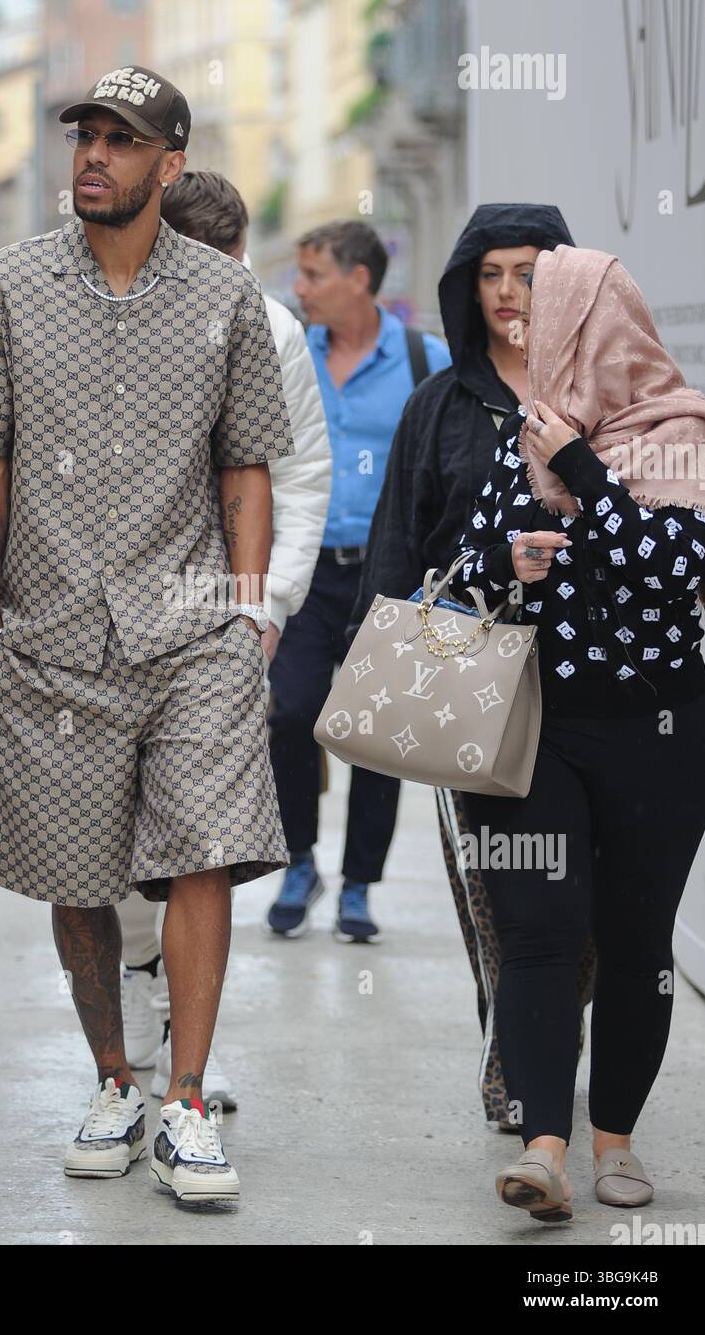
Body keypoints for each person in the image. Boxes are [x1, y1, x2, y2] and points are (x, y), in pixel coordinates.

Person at [0, 65, 296, 1207]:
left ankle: (186, 1099)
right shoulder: (4, 286)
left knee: (202, 850)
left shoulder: (226, 300)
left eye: (122, 139)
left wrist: (245, 612)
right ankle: (113, 1077)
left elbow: (247, 462)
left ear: (168, 164)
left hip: (194, 627)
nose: (94, 155)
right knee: (73, 872)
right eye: (85, 135)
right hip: (49, 632)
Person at [444, 245, 705, 1222]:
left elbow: (670, 559)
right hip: (534, 732)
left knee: (638, 941)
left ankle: (616, 1142)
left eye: (553, 315)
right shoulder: (528, 431)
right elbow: (468, 561)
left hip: (657, 732)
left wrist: (581, 468)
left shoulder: (679, 433)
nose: (531, 328)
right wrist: (509, 563)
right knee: (539, 936)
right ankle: (544, 1147)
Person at [348, 204, 595, 1130]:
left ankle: (539, 1034)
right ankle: (516, 1061)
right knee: (498, 886)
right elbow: (399, 543)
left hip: (590, 673)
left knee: (594, 898)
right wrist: (375, 654)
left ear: (563, 281)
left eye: (527, 272)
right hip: (469, 672)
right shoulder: (438, 406)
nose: (506, 292)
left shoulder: (600, 394)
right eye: (490, 273)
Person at [115, 169, 333, 1112]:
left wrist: (266, 608)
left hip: (218, 620)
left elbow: (303, 473)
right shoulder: (113, 320)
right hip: (113, 619)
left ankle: (183, 1062)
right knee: (117, 849)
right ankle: (137, 1045)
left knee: (199, 845)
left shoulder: (273, 333)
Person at [266, 221, 452, 942]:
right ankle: (298, 862)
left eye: (313, 275)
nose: (300, 289)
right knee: (291, 715)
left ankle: (359, 889)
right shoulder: (287, 353)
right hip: (306, 573)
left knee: (377, 735)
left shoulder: (422, 359)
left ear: (360, 280)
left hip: (389, 577)